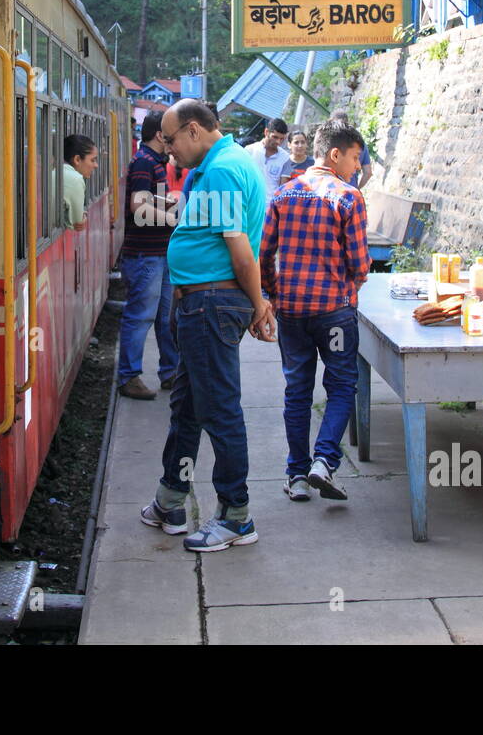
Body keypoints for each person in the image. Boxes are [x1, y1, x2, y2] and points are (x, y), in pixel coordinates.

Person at [140, 98, 276, 552]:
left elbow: (241, 250)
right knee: (189, 408)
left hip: (211, 304)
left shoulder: (220, 170)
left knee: (218, 410)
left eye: (171, 138)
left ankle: (236, 516)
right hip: (203, 303)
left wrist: (259, 305)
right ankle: (171, 499)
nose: (168, 148)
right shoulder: (223, 162)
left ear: (194, 130)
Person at [260, 121, 370, 502]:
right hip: (334, 313)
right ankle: (324, 460)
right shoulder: (349, 197)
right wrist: (354, 281)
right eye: (355, 158)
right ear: (335, 154)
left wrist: (274, 294)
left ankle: (296, 475)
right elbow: (359, 263)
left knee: (297, 390)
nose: (357, 166)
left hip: (291, 313)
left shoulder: (283, 194)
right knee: (341, 386)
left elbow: (264, 254)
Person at [117, 112, 180, 400]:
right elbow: (137, 206)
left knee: (166, 317)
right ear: (159, 134)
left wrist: (167, 203)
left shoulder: (154, 162)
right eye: (171, 134)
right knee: (140, 316)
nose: (173, 140)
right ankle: (129, 377)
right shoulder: (144, 162)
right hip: (146, 256)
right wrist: (174, 218)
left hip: (159, 254)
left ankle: (170, 372)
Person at [246, 116, 290, 200]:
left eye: (282, 139)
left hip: (271, 207)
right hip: (250, 204)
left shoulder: (286, 157)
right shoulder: (249, 150)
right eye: (275, 137)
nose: (278, 142)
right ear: (266, 132)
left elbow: (283, 187)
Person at [62, 134, 99, 231]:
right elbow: (77, 222)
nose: (96, 165)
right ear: (77, 159)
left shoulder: (58, 171)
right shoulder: (76, 179)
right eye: (93, 160)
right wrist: (82, 216)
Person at [328, 110, 372, 187]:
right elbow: (368, 173)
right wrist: (357, 188)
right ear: (347, 123)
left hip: (329, 188)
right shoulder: (361, 144)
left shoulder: (328, 142)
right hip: (350, 190)